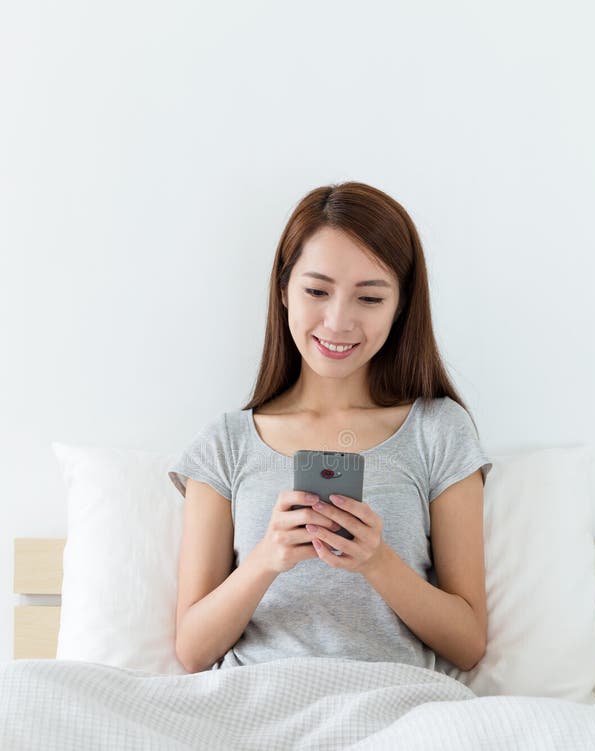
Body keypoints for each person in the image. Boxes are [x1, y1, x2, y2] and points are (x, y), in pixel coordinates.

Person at [169, 181, 493, 676]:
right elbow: (192, 651)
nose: (338, 322)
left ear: (400, 307)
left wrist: (377, 561)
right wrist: (266, 560)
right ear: (283, 291)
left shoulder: (439, 430)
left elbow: (468, 644)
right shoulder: (225, 445)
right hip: (255, 708)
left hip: (392, 709)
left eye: (369, 298)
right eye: (317, 291)